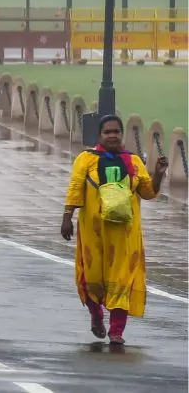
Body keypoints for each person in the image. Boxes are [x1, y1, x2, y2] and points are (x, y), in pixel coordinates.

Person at [62, 114, 168, 345]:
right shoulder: (86, 159)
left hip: (124, 234)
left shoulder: (133, 161)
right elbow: (75, 188)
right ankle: (96, 315)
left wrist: (158, 175)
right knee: (91, 276)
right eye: (107, 132)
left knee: (123, 277)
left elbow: (148, 193)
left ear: (122, 134)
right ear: (100, 135)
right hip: (93, 231)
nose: (112, 135)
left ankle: (117, 330)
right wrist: (67, 217)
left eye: (116, 132)